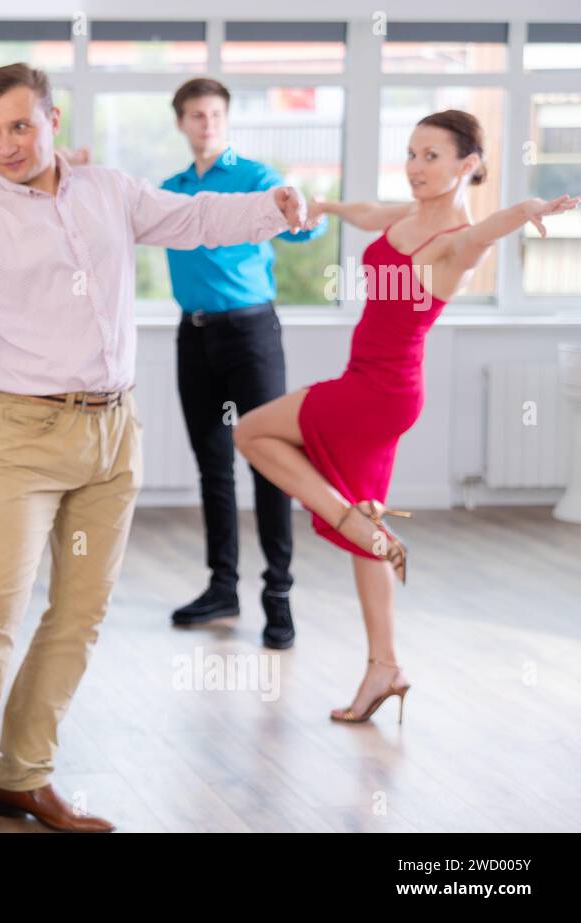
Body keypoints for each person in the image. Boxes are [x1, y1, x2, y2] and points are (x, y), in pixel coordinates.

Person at [0, 63, 312, 833]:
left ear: (52, 119)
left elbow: (191, 219)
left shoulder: (110, 190)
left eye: (20, 126)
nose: (6, 145)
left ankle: (22, 774)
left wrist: (272, 208)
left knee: (80, 614)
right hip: (24, 437)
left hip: (114, 434)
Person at [234, 110, 578, 723]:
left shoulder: (454, 241)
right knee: (367, 534)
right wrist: (330, 207)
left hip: (381, 390)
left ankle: (351, 521)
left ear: (467, 166)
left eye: (432, 157)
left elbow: (485, 233)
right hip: (370, 380)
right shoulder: (409, 216)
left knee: (252, 430)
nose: (416, 167)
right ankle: (383, 667)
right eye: (413, 154)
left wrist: (525, 206)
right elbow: (372, 213)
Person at [162, 78, 327, 650]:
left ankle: (277, 597)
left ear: (226, 120)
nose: (207, 123)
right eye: (196, 115)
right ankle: (222, 588)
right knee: (213, 466)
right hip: (194, 336)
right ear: (182, 123)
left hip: (250, 334)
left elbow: (306, 223)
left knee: (270, 462)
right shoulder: (172, 190)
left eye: (215, 114)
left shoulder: (258, 179)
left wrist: (304, 214)